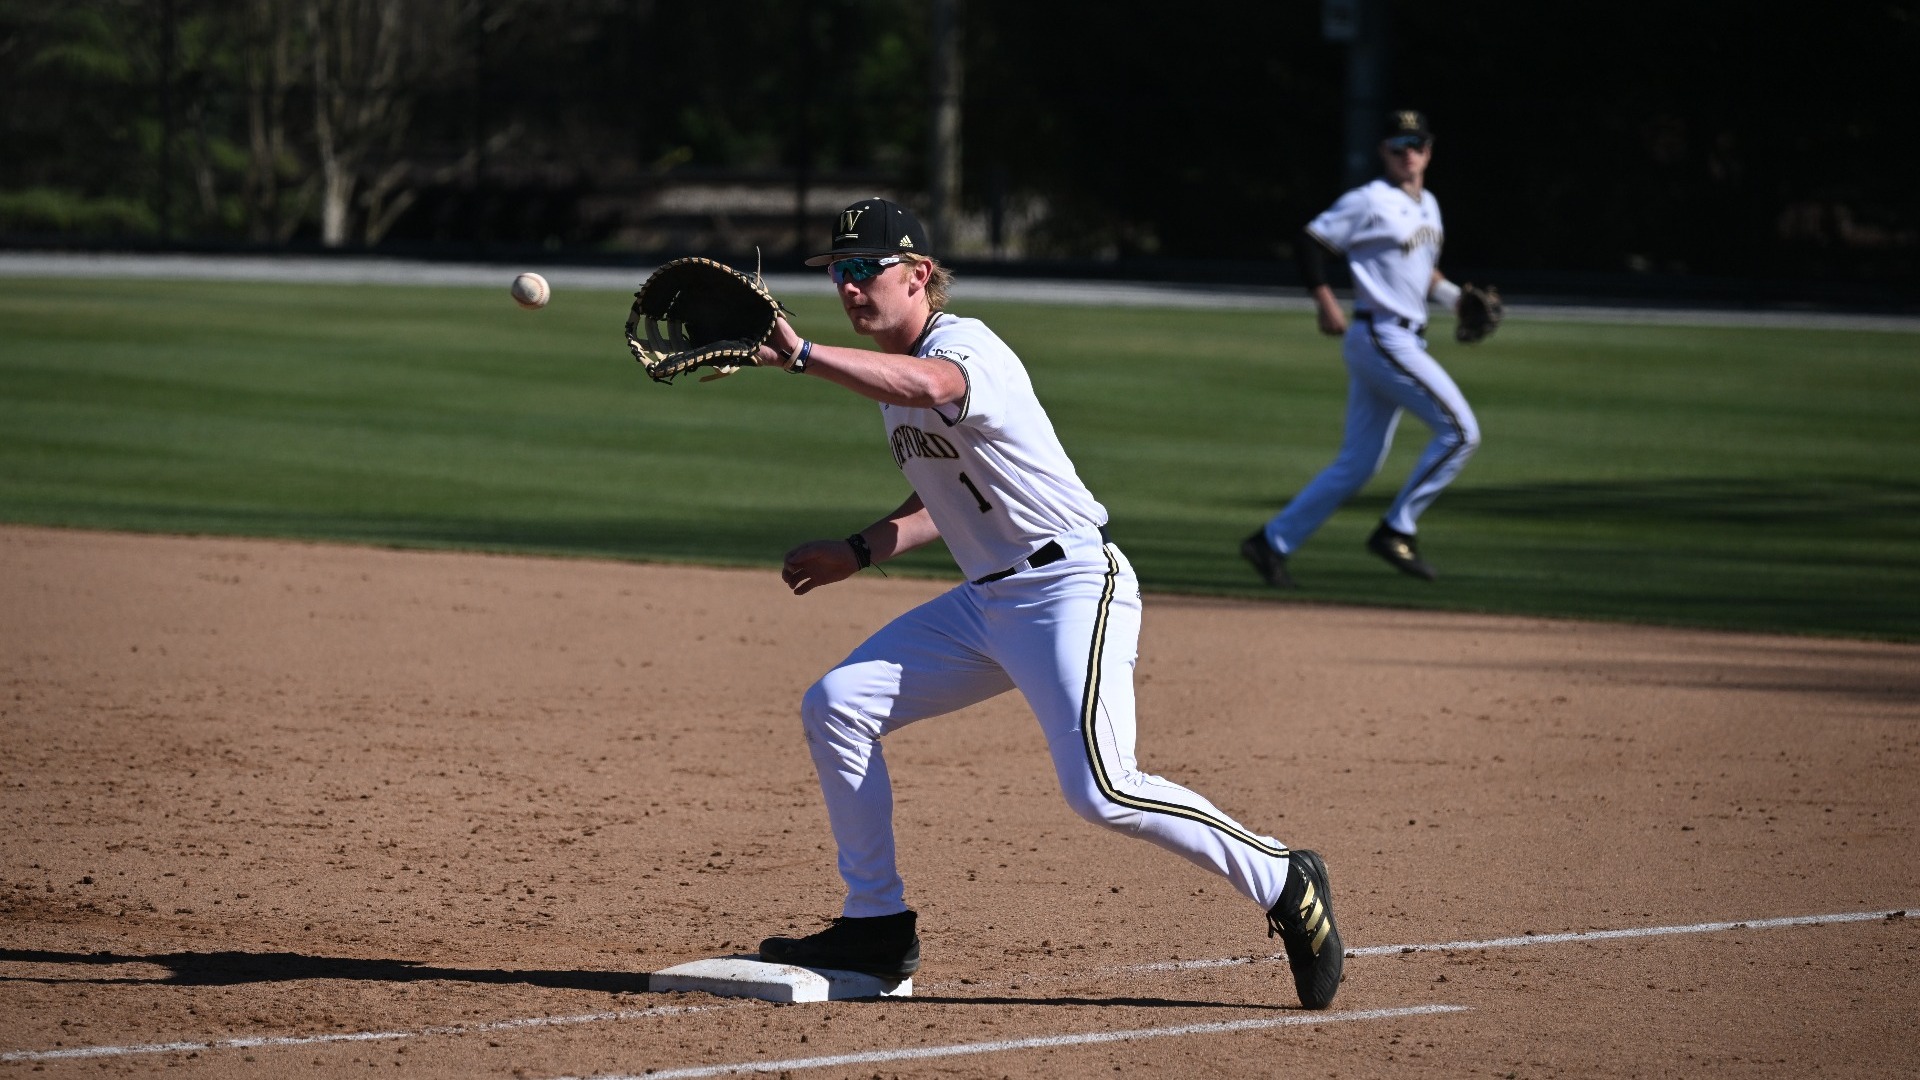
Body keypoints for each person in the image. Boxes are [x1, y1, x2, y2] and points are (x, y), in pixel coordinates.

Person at [748, 197, 1343, 1009]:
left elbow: (933, 386)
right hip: (985, 606)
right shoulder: (893, 378)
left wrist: (803, 356)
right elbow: (952, 496)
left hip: (1068, 587)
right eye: (838, 273)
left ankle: (1283, 876)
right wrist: (860, 550)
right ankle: (877, 925)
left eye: (865, 269)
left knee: (1102, 788)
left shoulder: (965, 347)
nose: (850, 287)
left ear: (919, 275)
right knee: (838, 704)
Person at [1242, 110, 1482, 588]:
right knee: (1460, 433)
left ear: (1429, 151)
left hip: (1403, 335)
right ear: (1384, 153)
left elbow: (1422, 269)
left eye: (1416, 144)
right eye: (1398, 146)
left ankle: (1270, 542)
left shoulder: (1428, 205)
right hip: (1381, 336)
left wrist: (1455, 299)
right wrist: (1325, 302)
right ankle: (1397, 529)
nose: (1407, 154)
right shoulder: (1369, 201)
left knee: (1358, 463)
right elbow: (1310, 242)